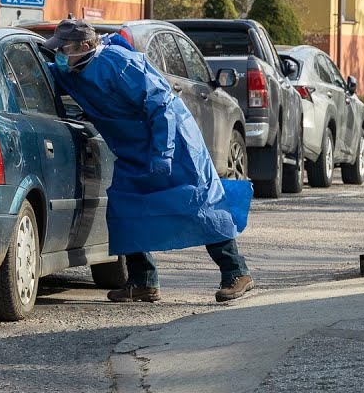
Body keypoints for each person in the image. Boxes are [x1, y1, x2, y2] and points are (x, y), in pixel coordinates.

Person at [42, 17, 255, 303]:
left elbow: (161, 106)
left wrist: (163, 153)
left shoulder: (120, 63)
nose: (60, 55)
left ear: (84, 45)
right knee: (125, 206)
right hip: (133, 148)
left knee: (198, 203)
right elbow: (50, 73)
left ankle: (236, 273)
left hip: (173, 143)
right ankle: (142, 281)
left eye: (64, 49)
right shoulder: (73, 69)